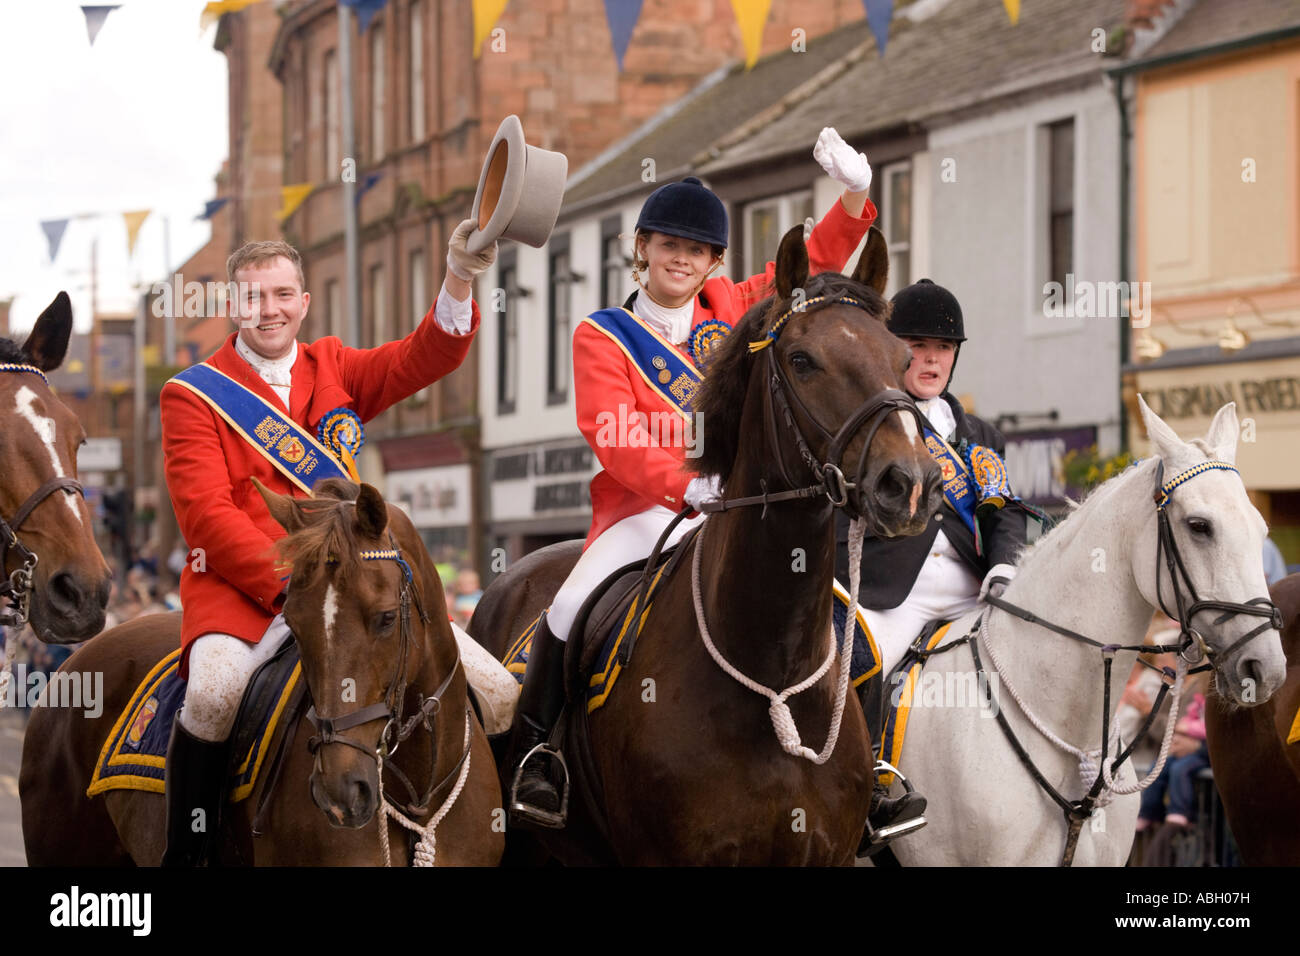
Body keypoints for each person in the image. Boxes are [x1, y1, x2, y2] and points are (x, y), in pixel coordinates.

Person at [505, 127, 880, 827]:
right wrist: (689, 487)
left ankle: (874, 762)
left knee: (841, 615)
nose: (682, 259)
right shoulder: (603, 333)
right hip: (641, 512)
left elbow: (814, 259)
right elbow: (612, 436)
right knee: (566, 608)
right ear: (643, 248)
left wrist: (855, 195)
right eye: (669, 245)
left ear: (715, 261)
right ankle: (537, 759)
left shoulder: (737, 310)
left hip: (740, 511)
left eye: (697, 250)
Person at [158, 224, 494, 865]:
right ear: (234, 306)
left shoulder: (333, 366)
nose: (270, 310)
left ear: (304, 303)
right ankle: (192, 852)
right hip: (250, 591)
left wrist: (459, 274)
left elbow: (426, 356)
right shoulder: (192, 394)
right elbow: (207, 515)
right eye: (254, 298)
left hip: (358, 593)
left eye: (283, 294)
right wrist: (296, 585)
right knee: (212, 696)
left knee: (498, 691)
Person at [835, 278, 1030, 835]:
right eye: (916, 346)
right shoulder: (869, 423)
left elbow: (1001, 507)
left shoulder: (978, 432)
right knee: (850, 669)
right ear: (893, 352)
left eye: (942, 348)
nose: (930, 358)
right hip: (891, 589)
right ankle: (864, 793)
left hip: (971, 587)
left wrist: (1004, 565)